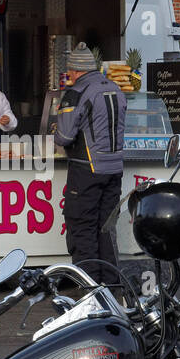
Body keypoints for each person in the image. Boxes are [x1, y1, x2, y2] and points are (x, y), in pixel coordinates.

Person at [54, 42, 127, 282]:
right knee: (106, 230)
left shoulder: (76, 93)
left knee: (82, 229)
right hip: (115, 169)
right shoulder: (116, 88)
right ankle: (111, 285)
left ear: (75, 70)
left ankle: (89, 289)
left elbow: (64, 137)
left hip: (87, 170)